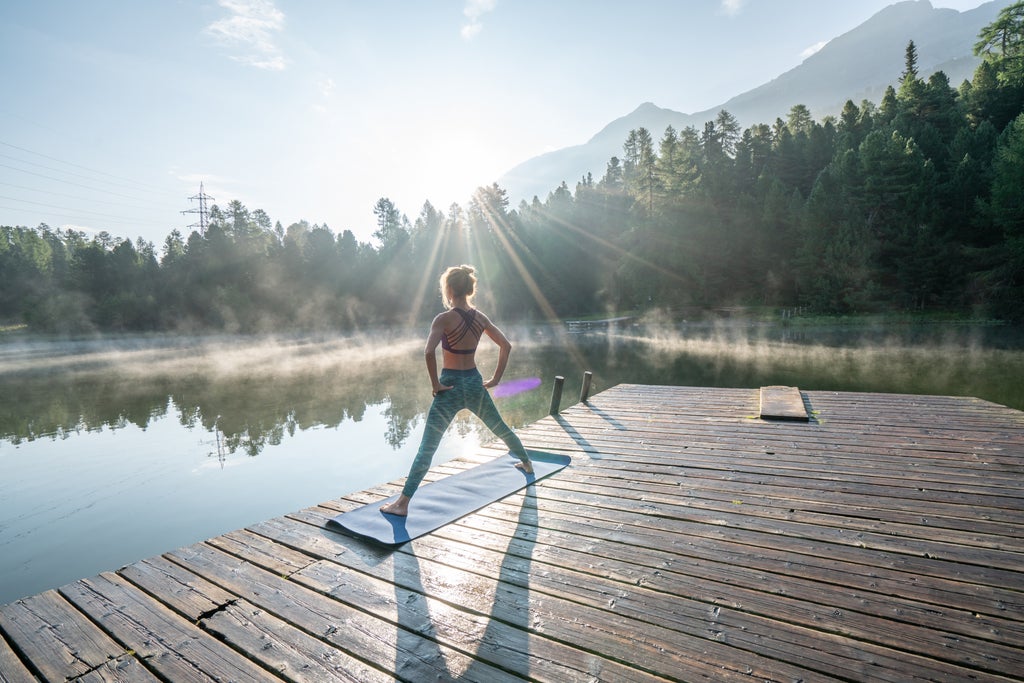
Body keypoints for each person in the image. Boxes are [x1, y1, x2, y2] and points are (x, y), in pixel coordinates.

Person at [381, 265, 533, 516]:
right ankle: (527, 464)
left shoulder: (443, 319)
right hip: (474, 382)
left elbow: (429, 352)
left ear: (450, 289)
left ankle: (402, 504)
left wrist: (435, 385)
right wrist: (495, 378)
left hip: (449, 386)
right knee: (500, 427)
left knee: (427, 447)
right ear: (469, 289)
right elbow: (506, 345)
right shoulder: (481, 318)